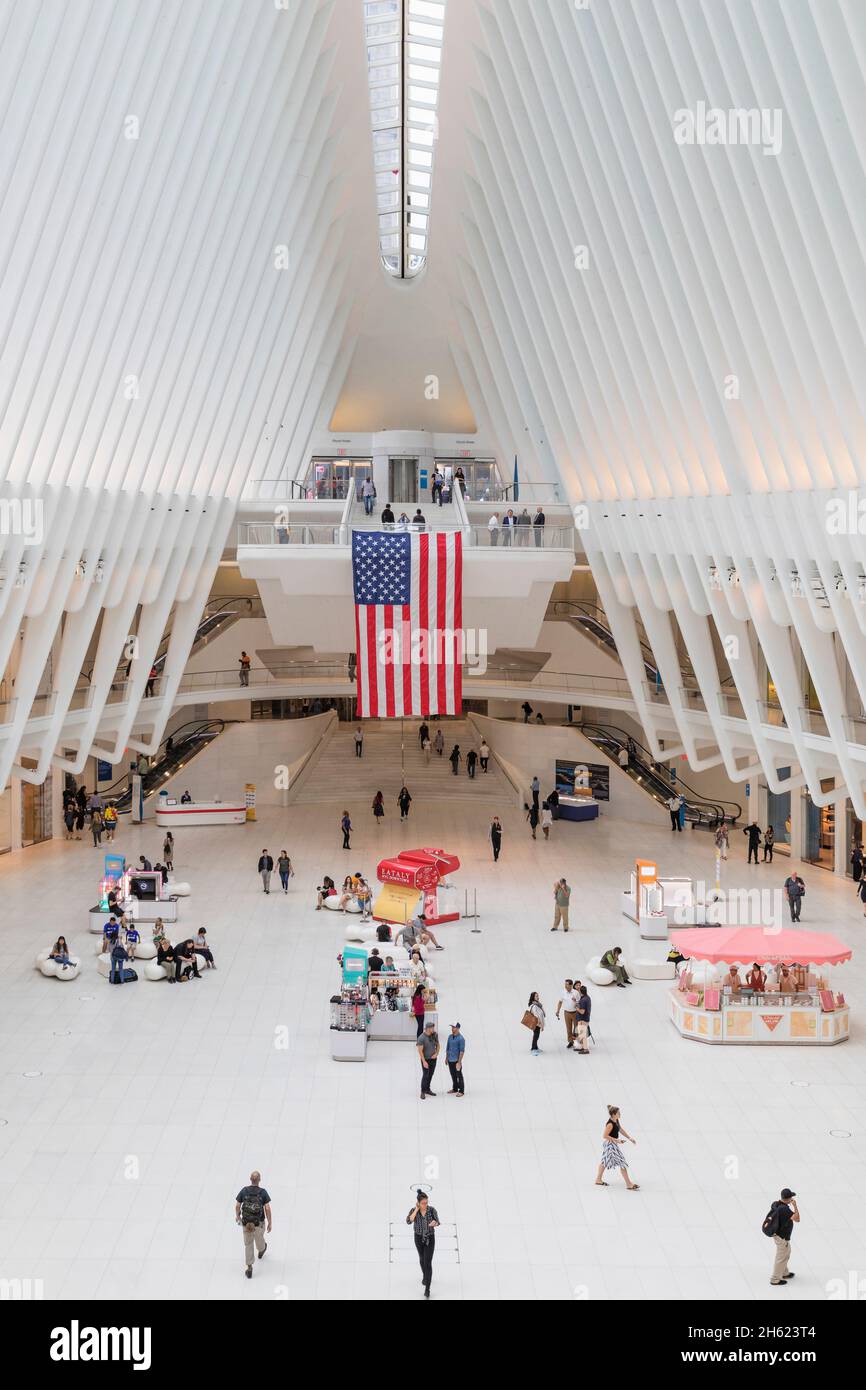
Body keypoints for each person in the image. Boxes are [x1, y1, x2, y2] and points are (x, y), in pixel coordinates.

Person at [235, 1171, 272, 1279]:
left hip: (246, 1224)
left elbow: (237, 1205)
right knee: (259, 1239)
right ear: (259, 1180)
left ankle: (249, 1267)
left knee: (248, 1244)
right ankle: (262, 1249)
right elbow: (267, 1208)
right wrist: (270, 1222)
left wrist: (238, 1217)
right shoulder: (263, 1192)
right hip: (259, 1223)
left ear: (250, 1179)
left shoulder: (244, 1190)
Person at [595, 1105, 639, 1190]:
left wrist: (629, 1138)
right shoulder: (610, 1124)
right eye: (618, 1113)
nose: (620, 1114)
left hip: (612, 1144)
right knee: (622, 1163)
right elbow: (604, 1135)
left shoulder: (616, 1120)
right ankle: (629, 1184)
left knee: (604, 1161)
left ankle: (598, 1179)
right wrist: (617, 1140)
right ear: (613, 1114)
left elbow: (620, 1129)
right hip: (610, 1145)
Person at [406, 1191, 439, 1297]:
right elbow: (409, 1220)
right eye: (423, 1203)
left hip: (430, 1238)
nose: (426, 1204)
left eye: (426, 1202)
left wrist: (435, 1223)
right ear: (418, 1203)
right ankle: (425, 1276)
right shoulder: (414, 1210)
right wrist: (416, 1209)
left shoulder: (432, 1210)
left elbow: (438, 1221)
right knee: (421, 1258)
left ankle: (427, 1289)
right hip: (418, 1238)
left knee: (428, 1262)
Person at [767, 1188, 799, 1286]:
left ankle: (784, 1273)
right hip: (781, 1237)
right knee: (781, 1256)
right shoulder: (784, 1209)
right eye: (791, 1197)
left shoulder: (776, 1204)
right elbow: (797, 1219)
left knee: (786, 1252)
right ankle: (775, 1279)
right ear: (789, 1199)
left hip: (779, 1235)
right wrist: (795, 1206)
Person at [417, 1022, 440, 1100]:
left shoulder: (435, 1035)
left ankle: (427, 1089)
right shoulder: (421, 1038)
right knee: (425, 1075)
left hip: (433, 1059)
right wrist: (424, 1061)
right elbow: (420, 1051)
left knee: (431, 1074)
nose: (434, 1029)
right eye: (432, 1028)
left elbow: (438, 1045)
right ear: (428, 1028)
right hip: (426, 1059)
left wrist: (436, 1053)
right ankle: (423, 1091)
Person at [555, 979, 578, 1048]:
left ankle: (577, 1042)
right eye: (565, 984)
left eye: (567, 985)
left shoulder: (576, 993)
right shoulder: (563, 992)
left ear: (571, 985)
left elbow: (580, 1002)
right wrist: (558, 1011)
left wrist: (576, 1001)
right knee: (568, 1028)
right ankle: (570, 1041)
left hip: (575, 1013)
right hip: (567, 1013)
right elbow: (560, 1002)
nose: (565, 986)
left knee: (576, 1028)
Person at [446, 1023, 465, 1096]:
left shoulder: (461, 1039)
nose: (452, 1029)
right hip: (450, 1060)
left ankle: (461, 1091)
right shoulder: (450, 1037)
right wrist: (446, 1058)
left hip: (456, 1061)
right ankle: (455, 1088)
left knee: (459, 1075)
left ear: (457, 1028)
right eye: (451, 1027)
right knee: (453, 1075)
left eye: (453, 1027)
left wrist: (459, 1062)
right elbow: (448, 1048)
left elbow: (462, 1051)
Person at [575, 985, 592, 1053]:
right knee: (582, 1035)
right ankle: (582, 1047)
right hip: (586, 1018)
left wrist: (577, 1008)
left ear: (580, 992)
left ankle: (585, 1049)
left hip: (583, 1019)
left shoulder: (583, 1000)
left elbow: (582, 1011)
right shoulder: (588, 998)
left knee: (583, 1035)